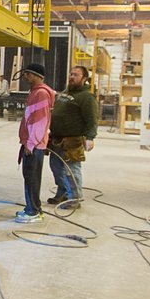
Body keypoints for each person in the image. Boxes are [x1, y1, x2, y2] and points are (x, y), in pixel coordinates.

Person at [48, 65, 98, 208]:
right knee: (56, 167)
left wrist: (90, 138)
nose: (71, 77)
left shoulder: (86, 97)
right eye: (71, 74)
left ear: (84, 79)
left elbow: (92, 119)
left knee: (72, 169)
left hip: (72, 140)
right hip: (57, 139)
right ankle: (63, 192)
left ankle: (75, 199)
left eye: (76, 75)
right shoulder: (66, 92)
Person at [15, 61, 55, 224]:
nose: (25, 77)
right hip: (32, 142)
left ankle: (33, 211)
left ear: (33, 75)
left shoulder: (41, 94)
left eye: (27, 74)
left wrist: (31, 143)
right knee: (30, 176)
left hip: (34, 144)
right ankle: (32, 207)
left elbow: (39, 121)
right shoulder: (36, 92)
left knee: (31, 177)